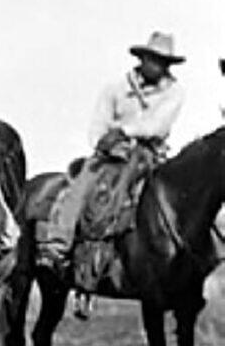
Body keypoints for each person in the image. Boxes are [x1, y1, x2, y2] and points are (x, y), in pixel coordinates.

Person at [38, 31, 188, 275]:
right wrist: (105, 141)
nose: (156, 66)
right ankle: (58, 244)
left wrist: (124, 131)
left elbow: (157, 125)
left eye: (162, 62)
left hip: (148, 153)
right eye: (152, 59)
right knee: (83, 183)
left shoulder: (174, 92)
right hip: (111, 152)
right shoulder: (115, 88)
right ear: (142, 59)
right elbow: (98, 124)